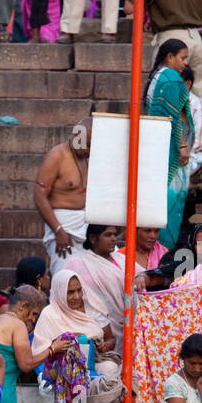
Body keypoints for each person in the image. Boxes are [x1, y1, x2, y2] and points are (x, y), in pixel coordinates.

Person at [146, 39, 192, 250]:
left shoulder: (156, 76)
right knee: (171, 203)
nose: (184, 63)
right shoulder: (172, 78)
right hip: (170, 151)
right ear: (169, 56)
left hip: (157, 147)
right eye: (182, 58)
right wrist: (182, 147)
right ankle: (163, 250)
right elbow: (174, 116)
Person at [31, 269, 119, 379]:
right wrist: (69, 338)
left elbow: (111, 339)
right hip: (63, 368)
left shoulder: (91, 307)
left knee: (111, 368)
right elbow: (40, 352)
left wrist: (105, 346)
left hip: (93, 363)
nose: (77, 296)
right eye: (70, 292)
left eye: (79, 290)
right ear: (59, 293)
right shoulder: (49, 314)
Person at [34, 116, 91, 274]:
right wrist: (58, 230)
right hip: (62, 225)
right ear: (76, 138)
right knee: (66, 276)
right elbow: (39, 195)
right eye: (88, 145)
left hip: (87, 226)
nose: (89, 150)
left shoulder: (88, 157)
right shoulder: (57, 156)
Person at [144, 0, 202, 97]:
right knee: (195, 96)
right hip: (195, 37)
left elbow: (129, 7)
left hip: (171, 36)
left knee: (163, 92)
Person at [63, 225, 127, 343]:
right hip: (91, 328)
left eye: (114, 234)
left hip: (125, 326)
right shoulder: (76, 264)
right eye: (108, 235)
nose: (114, 238)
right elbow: (60, 294)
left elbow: (143, 278)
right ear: (93, 238)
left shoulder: (123, 261)